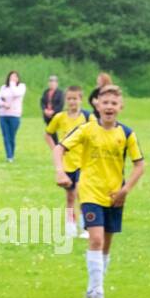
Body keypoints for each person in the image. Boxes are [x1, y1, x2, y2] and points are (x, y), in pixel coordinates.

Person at [54, 84, 144, 298]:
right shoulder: (87, 129)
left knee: (106, 245)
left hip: (114, 195)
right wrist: (60, 170)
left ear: (120, 107)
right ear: (97, 105)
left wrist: (125, 190)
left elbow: (140, 165)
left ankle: (93, 286)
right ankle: (98, 292)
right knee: (96, 239)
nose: (109, 107)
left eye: (114, 103)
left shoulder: (126, 134)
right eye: (105, 103)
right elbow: (59, 148)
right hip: (90, 192)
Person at [43, 85, 90, 239]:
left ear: (80, 100)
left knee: (83, 195)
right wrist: (56, 149)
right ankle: (70, 227)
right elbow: (48, 134)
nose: (72, 102)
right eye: (69, 99)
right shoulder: (60, 117)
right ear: (65, 100)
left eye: (75, 99)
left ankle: (86, 228)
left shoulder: (88, 118)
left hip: (84, 164)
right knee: (70, 197)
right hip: (67, 164)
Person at [0, 70, 26, 162]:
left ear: (18, 78)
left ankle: (11, 154)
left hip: (14, 115)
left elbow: (16, 93)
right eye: (11, 77)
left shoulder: (21, 87)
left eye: (15, 76)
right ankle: (9, 156)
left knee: (12, 136)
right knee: (5, 135)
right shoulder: (3, 87)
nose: (13, 78)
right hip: (3, 114)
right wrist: (4, 104)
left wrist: (12, 84)